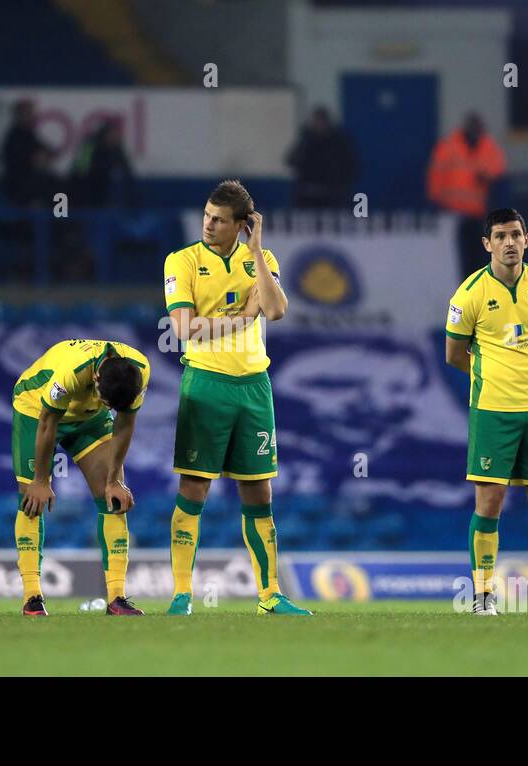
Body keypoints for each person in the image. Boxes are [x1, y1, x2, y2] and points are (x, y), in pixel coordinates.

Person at [163, 180, 311, 616]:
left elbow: (278, 310)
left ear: (242, 225)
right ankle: (181, 595)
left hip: (253, 386)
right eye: (207, 215)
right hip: (205, 382)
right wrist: (243, 320)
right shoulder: (182, 260)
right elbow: (183, 329)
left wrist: (257, 251)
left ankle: (269, 595)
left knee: (259, 493)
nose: (208, 224)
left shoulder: (260, 261)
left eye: (219, 219)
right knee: (194, 487)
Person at [443, 208, 528, 617]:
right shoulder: (468, 293)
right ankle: (483, 597)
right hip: (492, 410)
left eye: (516, 235)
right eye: (500, 236)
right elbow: (454, 354)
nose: (509, 242)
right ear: (486, 243)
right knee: (490, 502)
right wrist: (496, 377)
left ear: (527, 239)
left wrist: (526, 374)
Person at [12, 339, 150, 617]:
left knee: (112, 498)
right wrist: (41, 480)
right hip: (35, 409)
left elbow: (124, 424)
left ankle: (117, 598)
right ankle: (32, 598)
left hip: (90, 419)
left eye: (109, 404)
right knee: (32, 499)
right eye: (104, 399)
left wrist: (114, 480)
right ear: (96, 378)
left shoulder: (140, 370)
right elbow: (47, 422)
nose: (104, 403)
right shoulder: (71, 372)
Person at [427, 113, 507, 279]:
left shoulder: (488, 146)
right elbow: (436, 175)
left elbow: (498, 169)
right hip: (452, 213)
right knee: (454, 255)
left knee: (479, 255)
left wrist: (487, 175)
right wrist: (435, 201)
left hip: (478, 213)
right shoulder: (449, 146)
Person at [285, 106, 359, 208]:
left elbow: (350, 165)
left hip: (332, 195)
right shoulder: (306, 141)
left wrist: (341, 185)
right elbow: (291, 160)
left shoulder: (338, 142)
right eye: (317, 121)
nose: (319, 124)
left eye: (322, 121)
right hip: (307, 195)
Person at [1, 99, 59, 207]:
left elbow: (49, 151)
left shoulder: (29, 135)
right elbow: (19, 162)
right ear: (19, 115)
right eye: (28, 113)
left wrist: (44, 157)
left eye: (31, 113)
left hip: (34, 182)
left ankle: (61, 219)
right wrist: (35, 159)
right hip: (20, 185)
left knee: (60, 191)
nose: (31, 116)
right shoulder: (14, 137)